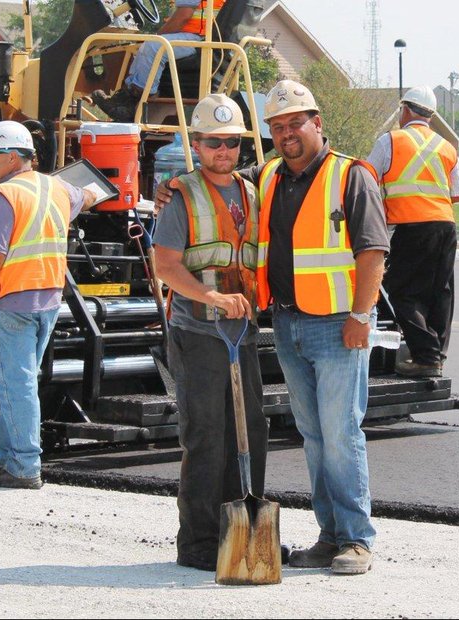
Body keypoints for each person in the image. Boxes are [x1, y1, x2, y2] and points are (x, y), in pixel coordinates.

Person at [155, 80, 388, 574]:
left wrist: (361, 316)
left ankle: (353, 537)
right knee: (301, 434)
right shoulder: (265, 179)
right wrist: (170, 186)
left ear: (316, 123)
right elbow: (174, 255)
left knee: (335, 433)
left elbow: (373, 252)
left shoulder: (347, 176)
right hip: (271, 324)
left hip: (333, 325)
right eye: (277, 127)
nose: (286, 134)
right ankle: (310, 536)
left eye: (294, 123)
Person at [0, 120, 95, 489]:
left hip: (8, 301)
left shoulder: (4, 196)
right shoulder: (55, 187)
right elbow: (86, 197)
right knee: (20, 380)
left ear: (13, 157)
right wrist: (97, 187)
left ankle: (25, 465)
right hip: (46, 301)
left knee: (15, 383)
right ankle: (4, 457)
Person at [151, 94, 268, 572]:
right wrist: (212, 298)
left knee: (251, 433)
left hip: (243, 331)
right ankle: (198, 542)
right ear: (196, 145)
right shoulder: (180, 194)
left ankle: (245, 536)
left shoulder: (252, 192)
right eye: (214, 142)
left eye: (233, 142)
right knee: (205, 436)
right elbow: (166, 265)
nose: (224, 150)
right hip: (197, 333)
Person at [367, 86, 459, 378]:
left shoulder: (390, 141)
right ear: (430, 117)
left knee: (399, 290)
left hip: (411, 227)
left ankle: (426, 353)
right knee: (440, 293)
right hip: (445, 227)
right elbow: (456, 194)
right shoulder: (447, 148)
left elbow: (367, 181)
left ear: (405, 111)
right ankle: (435, 358)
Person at [93, 0, 223, 120]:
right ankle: (127, 95)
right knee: (141, 48)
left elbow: (183, 16)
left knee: (152, 47)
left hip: (198, 38)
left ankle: (137, 100)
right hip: (202, 38)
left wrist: (157, 36)